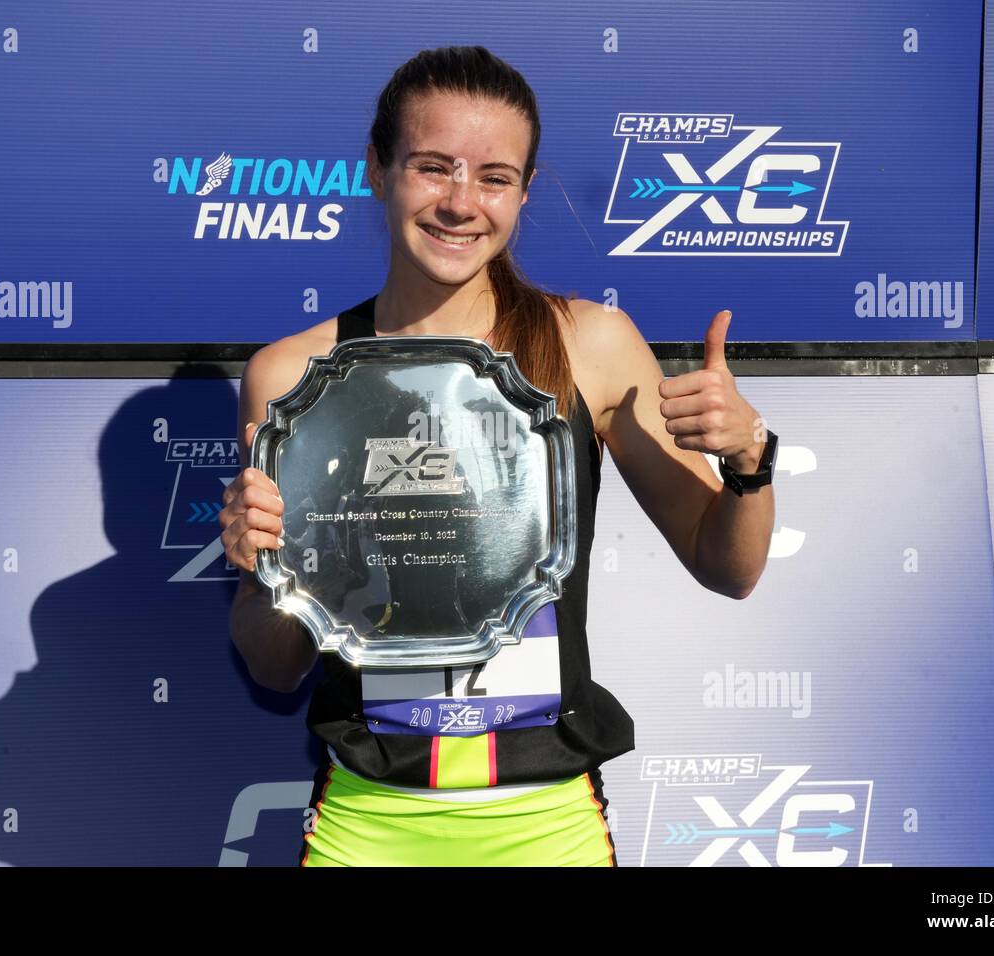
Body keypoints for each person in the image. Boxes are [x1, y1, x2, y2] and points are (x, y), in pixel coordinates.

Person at [218, 45, 776, 866]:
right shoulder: (293, 375)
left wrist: (748, 461)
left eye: (493, 177)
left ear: (523, 191)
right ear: (376, 169)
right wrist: (260, 565)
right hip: (369, 826)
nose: (459, 203)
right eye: (433, 167)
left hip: (547, 828)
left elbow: (730, 567)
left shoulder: (589, 343)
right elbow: (274, 664)